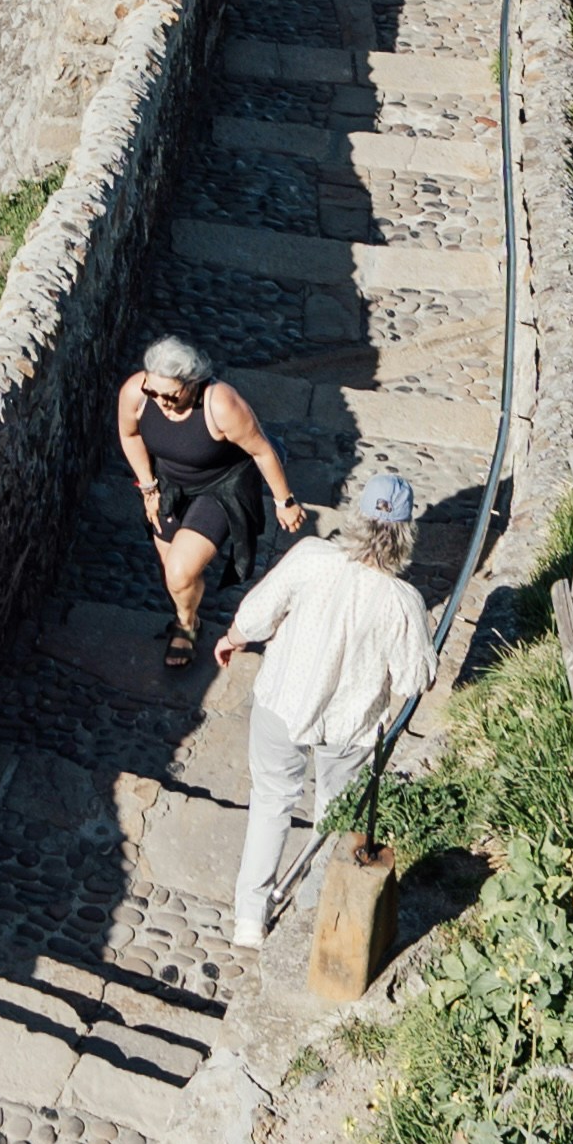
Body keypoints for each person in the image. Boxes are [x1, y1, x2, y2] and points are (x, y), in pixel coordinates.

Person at [214, 464, 436, 948]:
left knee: (271, 802)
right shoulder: (403, 601)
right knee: (334, 820)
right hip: (350, 728)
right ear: (405, 535)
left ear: (357, 519)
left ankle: (251, 918)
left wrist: (232, 639)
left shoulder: (312, 557)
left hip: (282, 704)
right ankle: (311, 909)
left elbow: (256, 615)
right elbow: (415, 678)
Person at [118, 333, 302, 672]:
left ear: (192, 382)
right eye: (153, 392)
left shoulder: (221, 404)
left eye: (170, 394)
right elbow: (129, 435)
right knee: (174, 571)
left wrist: (284, 500)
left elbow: (262, 450)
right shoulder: (136, 393)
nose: (160, 401)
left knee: (178, 571)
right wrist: (148, 486)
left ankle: (185, 628)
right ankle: (189, 615)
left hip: (221, 488)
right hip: (168, 485)